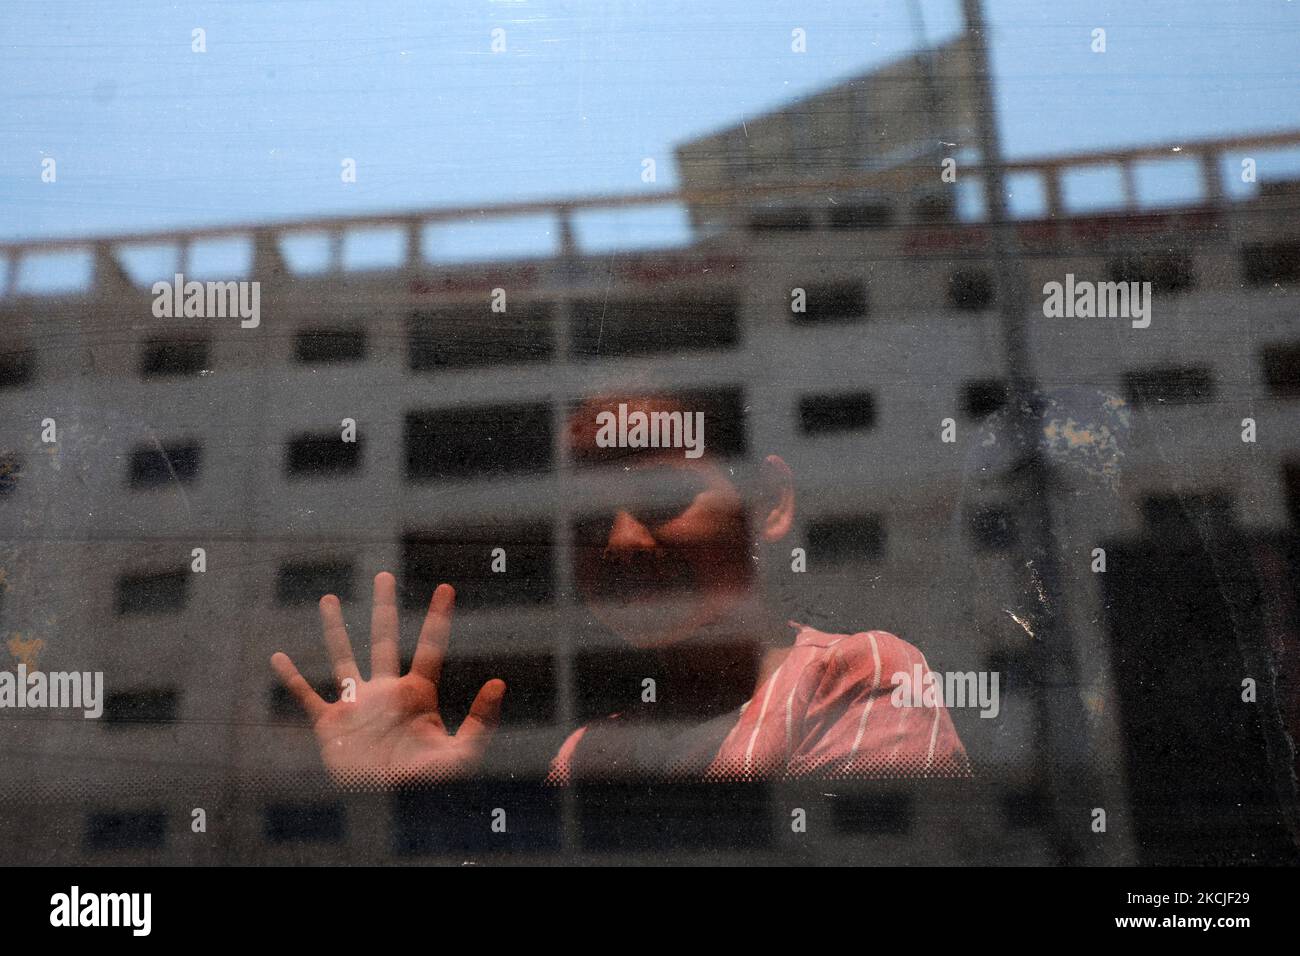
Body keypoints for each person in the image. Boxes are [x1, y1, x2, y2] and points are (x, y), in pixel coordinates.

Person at [271, 391, 969, 786]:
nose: (623, 539)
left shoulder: (855, 674)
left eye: (662, 495)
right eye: (586, 520)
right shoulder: (585, 757)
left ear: (769, 502)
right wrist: (412, 802)